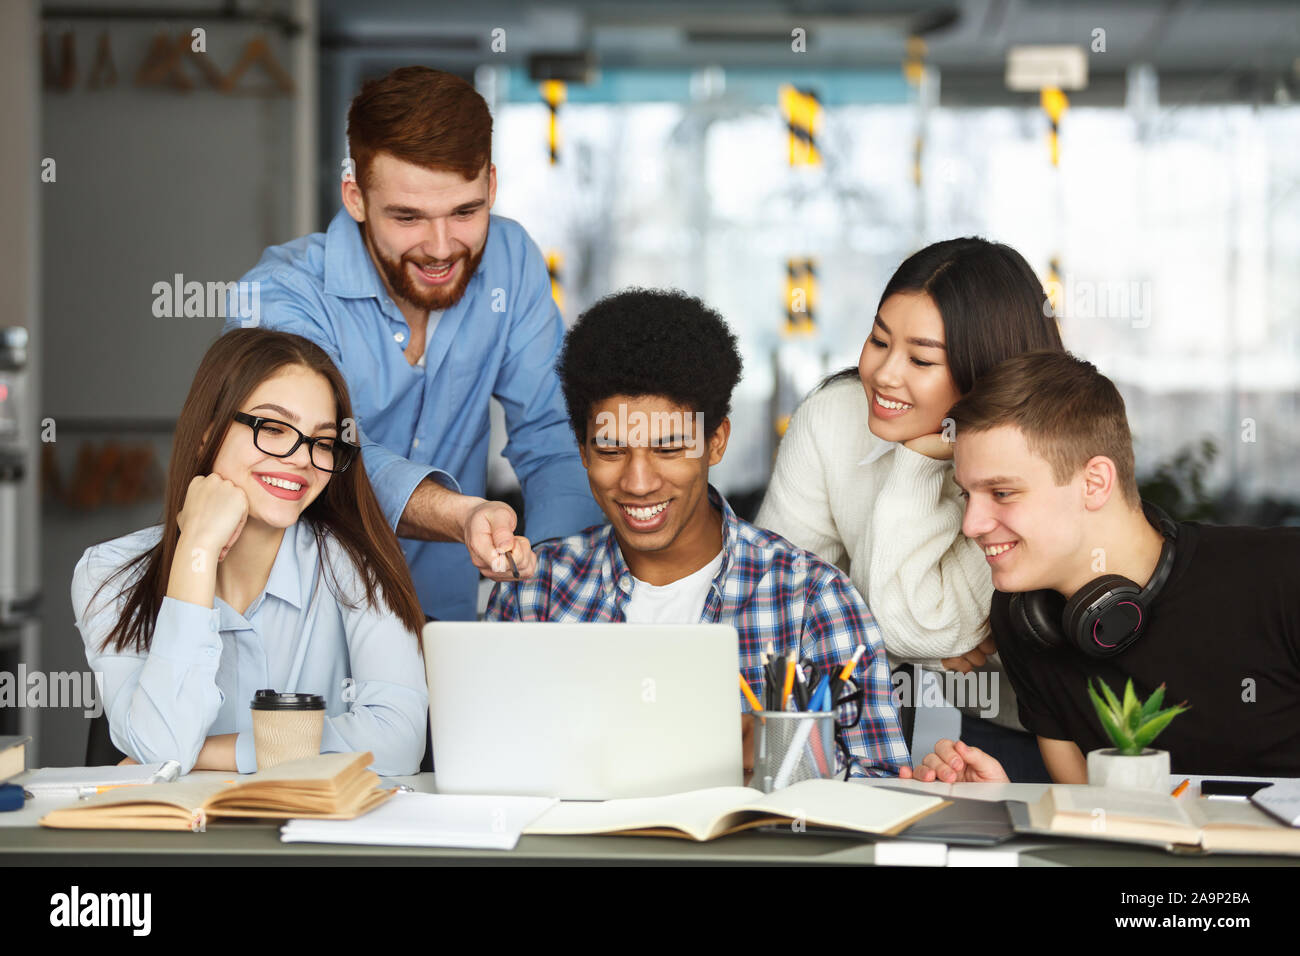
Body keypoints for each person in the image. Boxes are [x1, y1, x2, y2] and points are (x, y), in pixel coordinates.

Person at [226, 66, 603, 621]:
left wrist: (550, 579)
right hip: (300, 624)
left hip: (439, 622)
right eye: (408, 217)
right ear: (355, 197)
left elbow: (550, 433)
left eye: (466, 212)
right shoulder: (279, 296)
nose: (441, 247)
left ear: (491, 186)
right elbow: (313, 451)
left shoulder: (511, 261)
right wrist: (459, 515)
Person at [485, 289, 910, 778]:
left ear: (716, 442)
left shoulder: (810, 600)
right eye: (611, 451)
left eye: (668, 449)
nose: (638, 483)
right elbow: (492, 768)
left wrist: (771, 755)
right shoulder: (534, 593)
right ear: (581, 450)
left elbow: (880, 788)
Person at [903, 350, 1300, 783]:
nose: (971, 525)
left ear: (1094, 483)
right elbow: (1091, 815)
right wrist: (1008, 801)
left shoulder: (1281, 575)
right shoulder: (1024, 621)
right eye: (967, 495)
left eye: (1001, 493)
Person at [756, 237, 1065, 780]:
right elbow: (783, 608)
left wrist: (922, 461)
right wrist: (925, 646)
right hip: (860, 709)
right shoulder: (831, 419)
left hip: (1009, 729)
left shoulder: (1035, 453)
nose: (883, 374)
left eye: (921, 359)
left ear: (983, 372)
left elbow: (925, 626)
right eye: (879, 340)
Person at [73, 330, 429, 775]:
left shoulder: (358, 565)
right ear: (206, 435)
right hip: (178, 841)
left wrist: (205, 754)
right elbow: (162, 740)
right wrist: (197, 551)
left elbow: (397, 743)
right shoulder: (110, 573)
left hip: (313, 839)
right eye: (274, 429)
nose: (301, 459)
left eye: (320, 441)